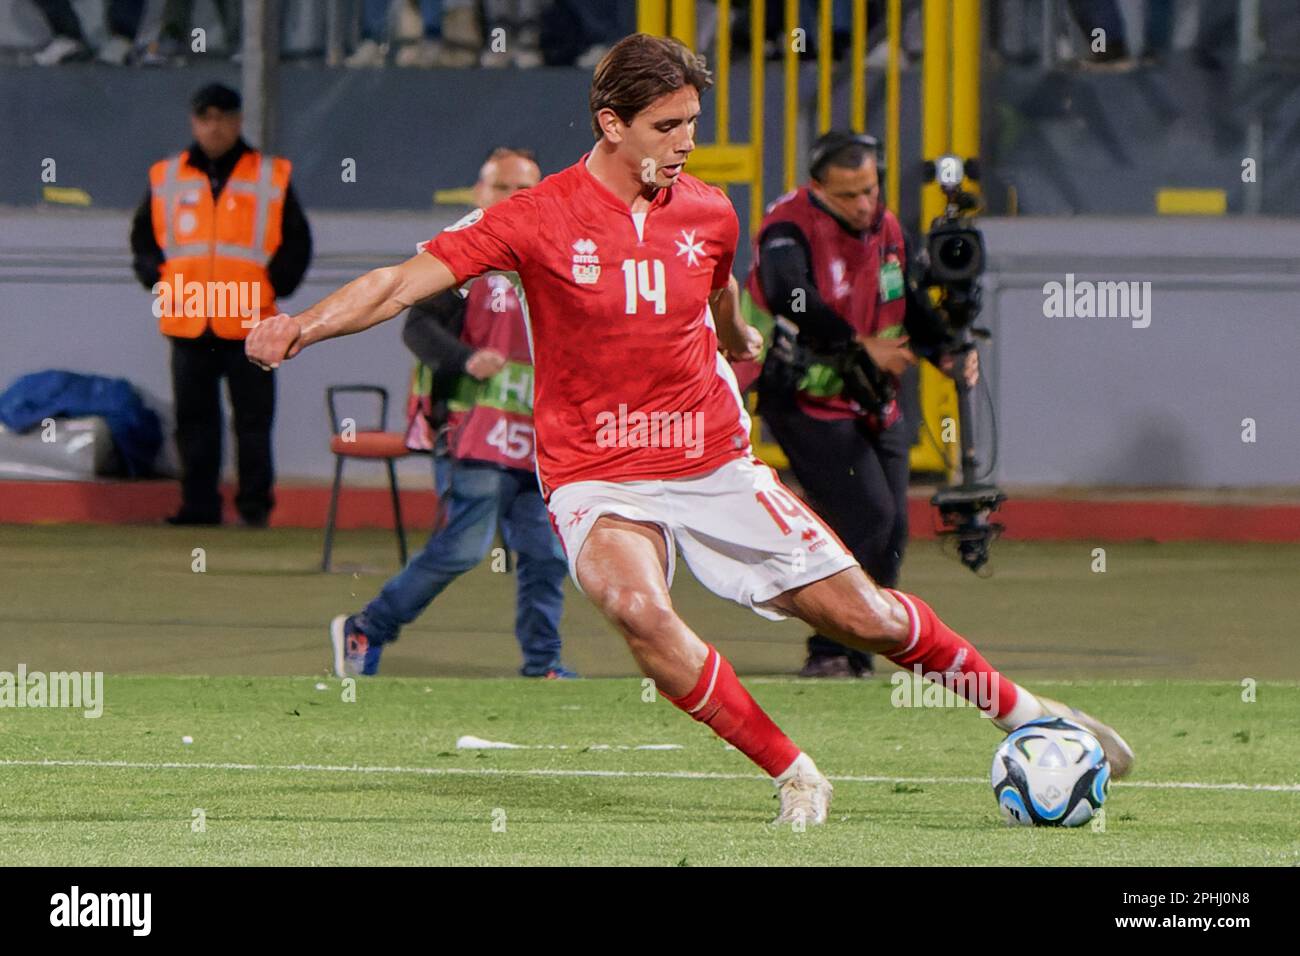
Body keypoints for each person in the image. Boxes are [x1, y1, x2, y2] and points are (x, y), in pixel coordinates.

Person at [247, 33, 1134, 825]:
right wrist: (300, 326)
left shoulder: (709, 213)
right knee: (637, 609)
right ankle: (794, 773)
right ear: (611, 123)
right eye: (668, 126)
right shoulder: (535, 218)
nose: (687, 142)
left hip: (710, 460)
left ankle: (1023, 711)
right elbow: (401, 283)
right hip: (595, 469)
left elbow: (719, 299)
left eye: (692, 123)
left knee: (863, 616)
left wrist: (743, 333)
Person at [331, 147, 575, 680]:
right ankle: (368, 626)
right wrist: (467, 359)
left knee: (547, 555)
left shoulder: (551, 260)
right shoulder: (461, 258)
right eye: (502, 188)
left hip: (536, 443)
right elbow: (416, 328)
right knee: (463, 549)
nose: (515, 199)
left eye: (525, 189)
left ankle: (543, 664)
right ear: (479, 195)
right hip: (471, 436)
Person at [744, 130, 978, 679]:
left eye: (871, 190)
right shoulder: (787, 227)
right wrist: (857, 347)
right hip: (804, 396)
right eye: (849, 195)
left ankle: (858, 645)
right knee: (865, 515)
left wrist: (943, 348)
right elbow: (787, 294)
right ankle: (830, 650)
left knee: (892, 525)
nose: (865, 204)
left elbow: (909, 296)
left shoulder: (886, 226)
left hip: (872, 399)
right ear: (818, 189)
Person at [131, 83, 312, 526]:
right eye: (205, 117)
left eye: (223, 117)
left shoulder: (270, 176)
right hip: (189, 320)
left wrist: (276, 283)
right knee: (194, 422)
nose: (214, 127)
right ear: (194, 121)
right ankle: (199, 507)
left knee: (253, 422)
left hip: (251, 323)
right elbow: (143, 238)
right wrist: (158, 276)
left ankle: (253, 509)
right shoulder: (167, 176)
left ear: (238, 121)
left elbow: (297, 242)